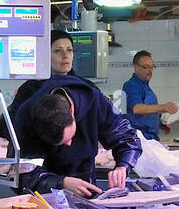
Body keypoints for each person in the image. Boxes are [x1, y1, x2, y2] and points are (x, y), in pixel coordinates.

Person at [10, 75, 142, 197]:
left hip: (87, 190)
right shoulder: (24, 118)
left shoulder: (95, 100)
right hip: (45, 197)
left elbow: (129, 139)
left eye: (70, 137)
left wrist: (123, 165)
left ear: (71, 111)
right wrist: (61, 183)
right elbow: (20, 174)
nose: (69, 144)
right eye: (60, 143)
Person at [0, 29, 76, 141]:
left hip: (73, 157)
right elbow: (5, 128)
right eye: (58, 51)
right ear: (45, 54)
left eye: (69, 50)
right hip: (38, 156)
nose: (65, 56)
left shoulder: (86, 88)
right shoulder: (30, 89)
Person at [122, 50, 177, 142]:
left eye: (152, 67)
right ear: (135, 67)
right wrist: (163, 107)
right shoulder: (131, 86)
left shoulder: (146, 87)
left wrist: (159, 124)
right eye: (146, 67)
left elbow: (146, 113)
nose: (150, 71)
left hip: (150, 139)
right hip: (138, 140)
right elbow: (137, 109)